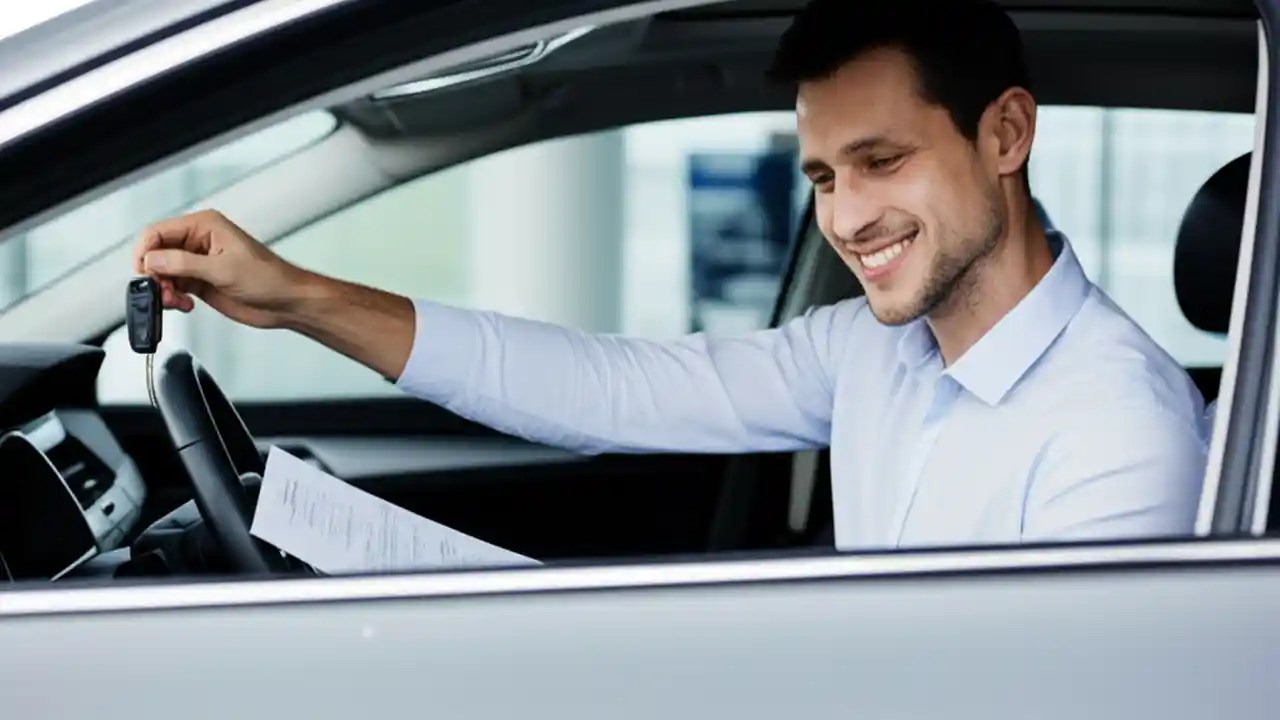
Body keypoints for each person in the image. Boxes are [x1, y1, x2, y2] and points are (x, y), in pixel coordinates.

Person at [132, 0, 1209, 551]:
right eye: (823, 177)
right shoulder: (873, 351)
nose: (845, 218)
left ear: (1005, 134)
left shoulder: (1118, 437)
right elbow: (609, 389)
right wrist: (301, 300)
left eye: (883, 162)